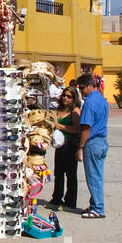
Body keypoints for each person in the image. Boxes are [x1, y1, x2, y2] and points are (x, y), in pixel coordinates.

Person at [76, 71, 108, 218]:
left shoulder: (89, 102)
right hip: (102, 142)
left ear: (89, 86)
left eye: (82, 88)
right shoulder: (101, 99)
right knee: (98, 175)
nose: (81, 92)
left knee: (93, 176)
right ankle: (95, 204)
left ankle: (98, 209)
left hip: (92, 143)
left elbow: (86, 127)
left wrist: (80, 147)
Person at [50, 86, 81, 210]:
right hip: (60, 144)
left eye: (69, 96)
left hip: (71, 144)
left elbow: (76, 128)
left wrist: (61, 127)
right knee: (58, 172)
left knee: (70, 173)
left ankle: (70, 201)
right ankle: (56, 198)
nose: (65, 98)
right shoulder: (59, 109)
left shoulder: (75, 111)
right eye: (64, 95)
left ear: (74, 98)